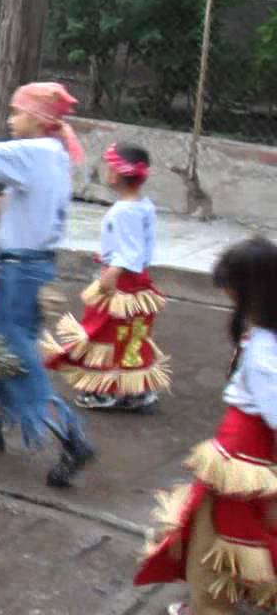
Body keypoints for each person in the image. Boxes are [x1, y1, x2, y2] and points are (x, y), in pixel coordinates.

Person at [0, 81, 95, 488]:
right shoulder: (48, 157)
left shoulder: (39, 150)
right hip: (24, 269)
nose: (10, 119)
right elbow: (1, 209)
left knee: (15, 359)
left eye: (16, 112)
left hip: (22, 273)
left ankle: (71, 438)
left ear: (39, 118)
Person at [134, 237, 277, 615]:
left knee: (213, 542)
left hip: (244, 458)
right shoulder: (264, 339)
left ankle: (208, 608)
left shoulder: (264, 351)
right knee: (242, 536)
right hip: (252, 457)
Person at [44, 143, 169, 412]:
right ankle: (134, 389)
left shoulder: (124, 211)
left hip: (120, 284)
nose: (106, 171)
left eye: (109, 166)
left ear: (116, 174)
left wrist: (110, 274)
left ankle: (104, 390)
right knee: (133, 336)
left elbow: (130, 251)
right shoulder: (143, 205)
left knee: (103, 333)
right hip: (138, 283)